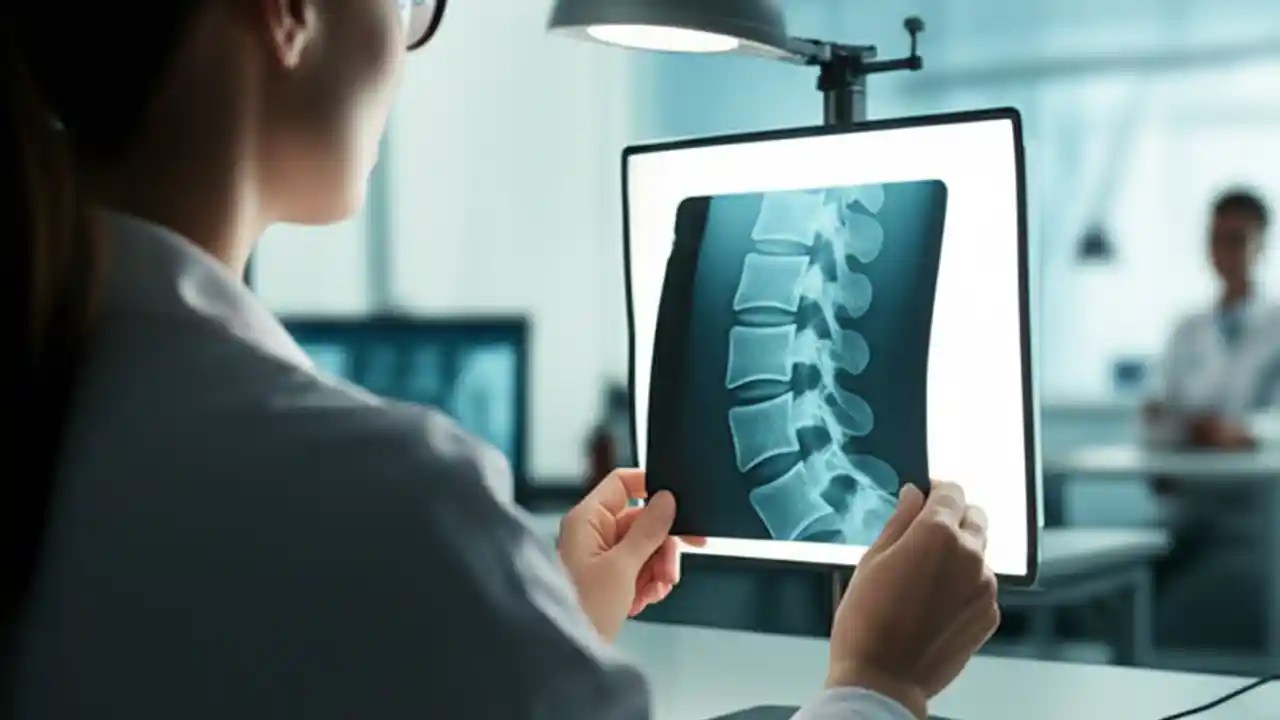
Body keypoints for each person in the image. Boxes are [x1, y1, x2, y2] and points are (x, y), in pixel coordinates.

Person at [3, 2, 998, 718]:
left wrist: (522, 619)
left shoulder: (67, 401)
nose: (405, 47)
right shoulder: (382, 501)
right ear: (286, 13)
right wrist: (876, 684)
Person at [1146, 189, 1280, 449]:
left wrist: (1247, 432)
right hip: (1193, 481)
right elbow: (1158, 411)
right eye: (1215, 239)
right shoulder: (1187, 329)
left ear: (1262, 244)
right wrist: (1190, 427)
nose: (1223, 252)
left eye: (1236, 240)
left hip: (1262, 480)